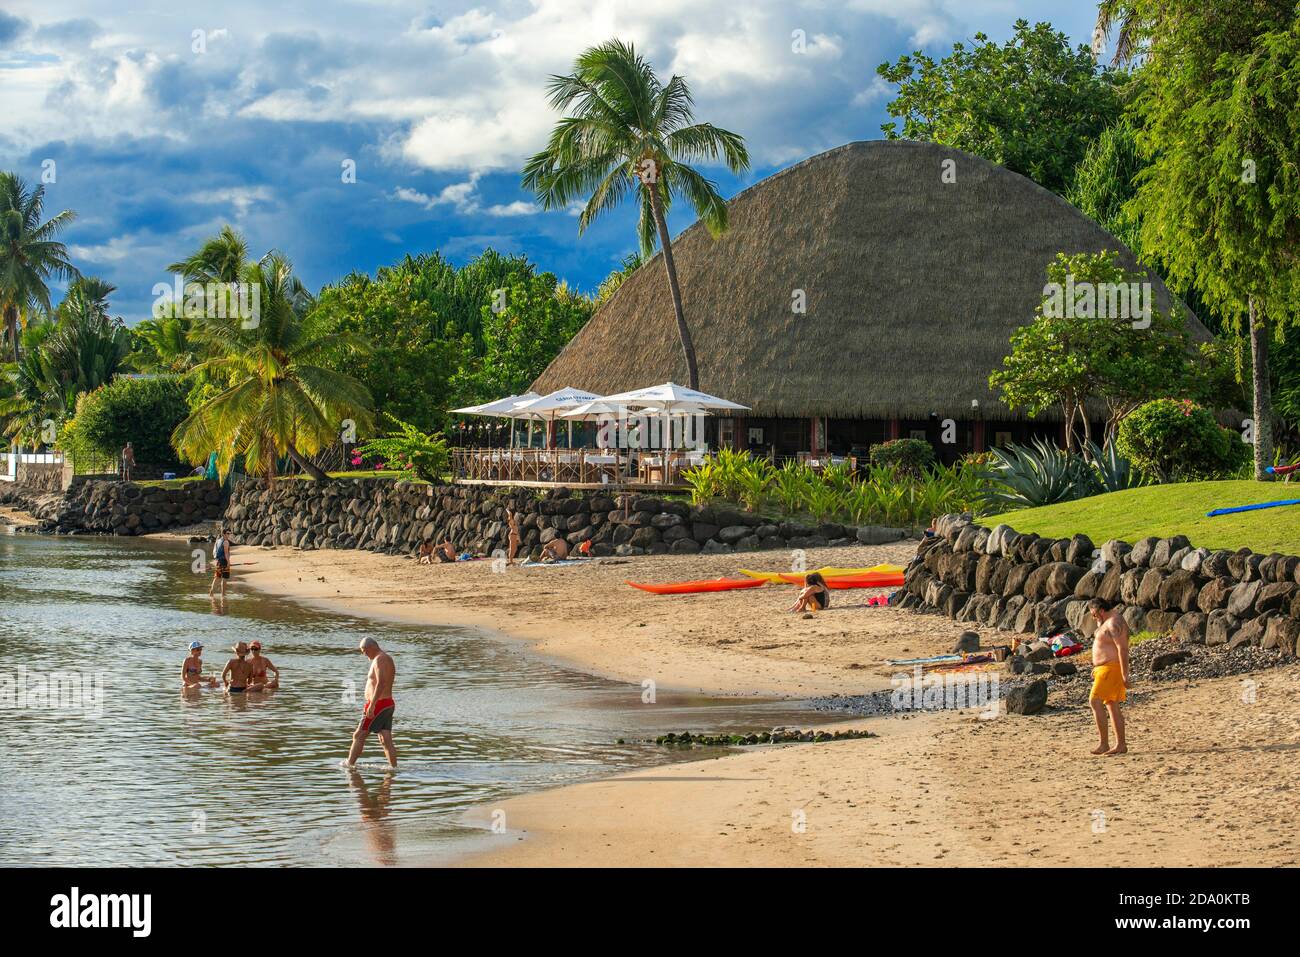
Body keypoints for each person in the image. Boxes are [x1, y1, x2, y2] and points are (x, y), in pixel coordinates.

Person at [1087, 597, 1131, 756]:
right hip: (1104, 669)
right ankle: (1120, 745)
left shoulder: (1114, 623)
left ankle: (1104, 744)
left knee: (1094, 700)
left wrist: (1125, 674)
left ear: (1101, 609)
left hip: (1110, 669)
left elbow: (1123, 649)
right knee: (1111, 704)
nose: (1093, 617)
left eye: (1094, 614)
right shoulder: (1107, 622)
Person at [346, 637, 397, 768]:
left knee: (358, 735)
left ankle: (349, 766)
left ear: (372, 647)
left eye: (364, 651)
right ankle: (393, 770)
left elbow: (381, 683)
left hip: (379, 704)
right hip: (385, 703)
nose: (364, 654)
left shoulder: (381, 659)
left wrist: (372, 704)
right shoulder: (381, 658)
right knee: (385, 739)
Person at [209, 529, 232, 598]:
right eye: (228, 533)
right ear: (224, 534)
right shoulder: (226, 542)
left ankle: (211, 592)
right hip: (224, 561)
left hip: (218, 561)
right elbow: (226, 553)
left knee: (217, 577)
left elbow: (215, 552)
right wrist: (228, 562)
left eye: (229, 533)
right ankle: (223, 594)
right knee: (224, 578)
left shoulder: (218, 541)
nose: (229, 535)